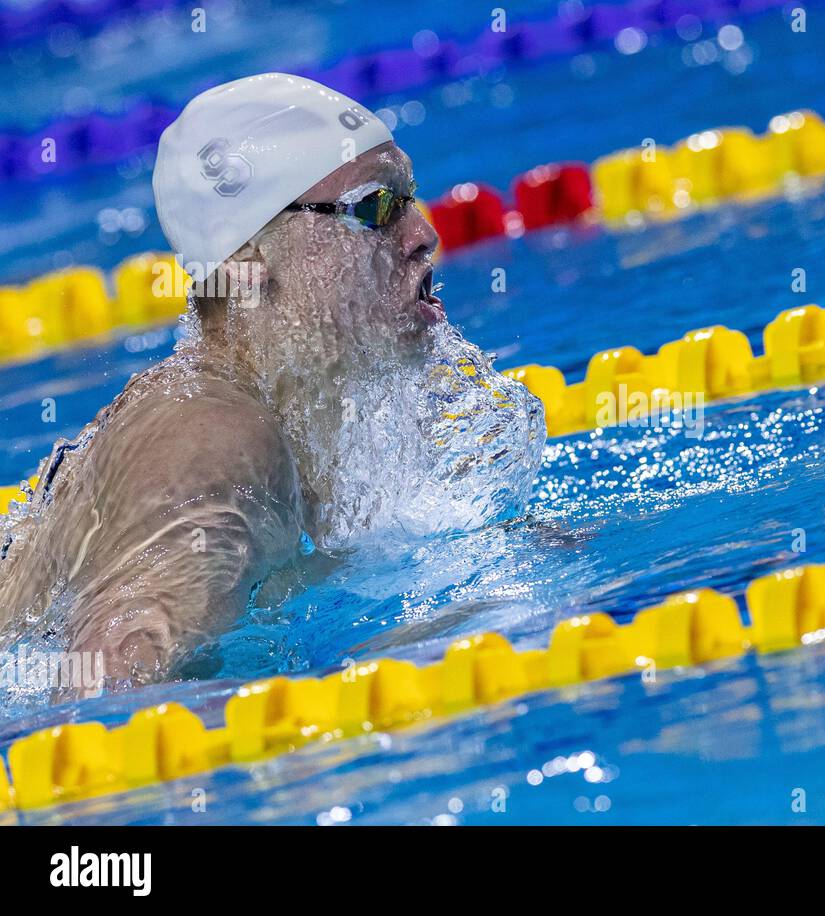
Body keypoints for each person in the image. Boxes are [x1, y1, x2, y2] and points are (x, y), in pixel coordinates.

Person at [0, 73, 544, 697]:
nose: (424, 234)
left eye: (410, 201)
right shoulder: (214, 443)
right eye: (374, 209)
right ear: (247, 262)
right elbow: (100, 704)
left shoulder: (302, 415)